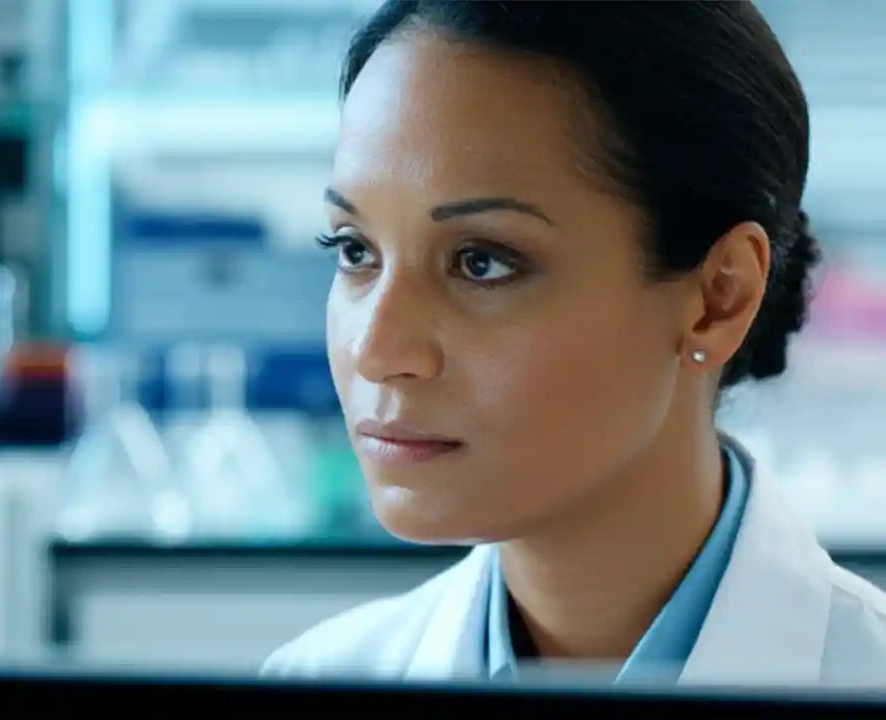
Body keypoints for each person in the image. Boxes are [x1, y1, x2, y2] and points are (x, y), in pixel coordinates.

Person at [262, 0, 886, 687]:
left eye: (482, 262)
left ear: (718, 297)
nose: (377, 352)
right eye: (354, 251)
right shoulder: (315, 675)